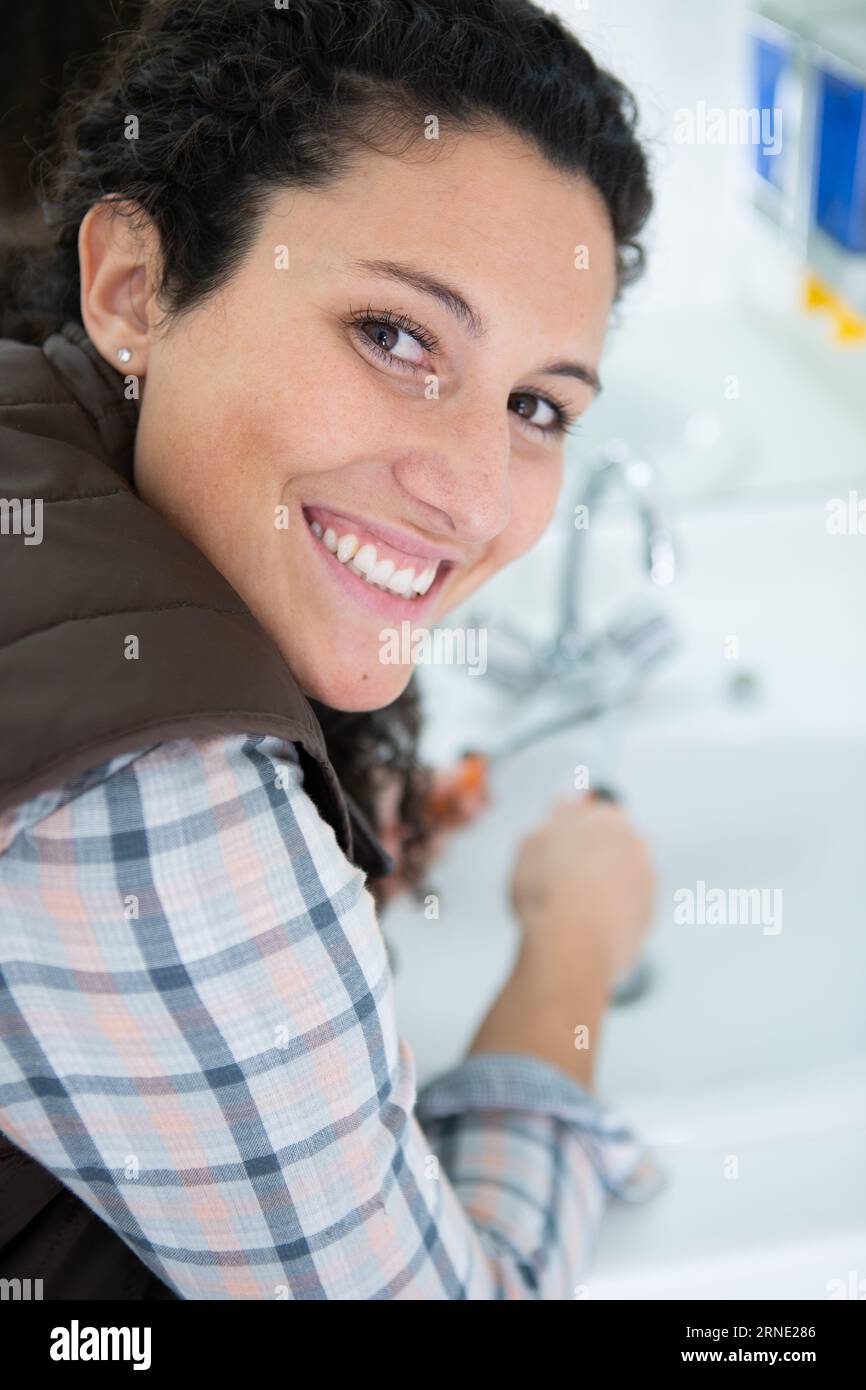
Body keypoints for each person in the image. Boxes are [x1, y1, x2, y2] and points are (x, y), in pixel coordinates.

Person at [0, 0, 661, 1300]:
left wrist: (329, 824)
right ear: (134, 284)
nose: (476, 496)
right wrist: (571, 941)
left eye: (536, 405)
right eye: (397, 337)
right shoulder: (153, 798)